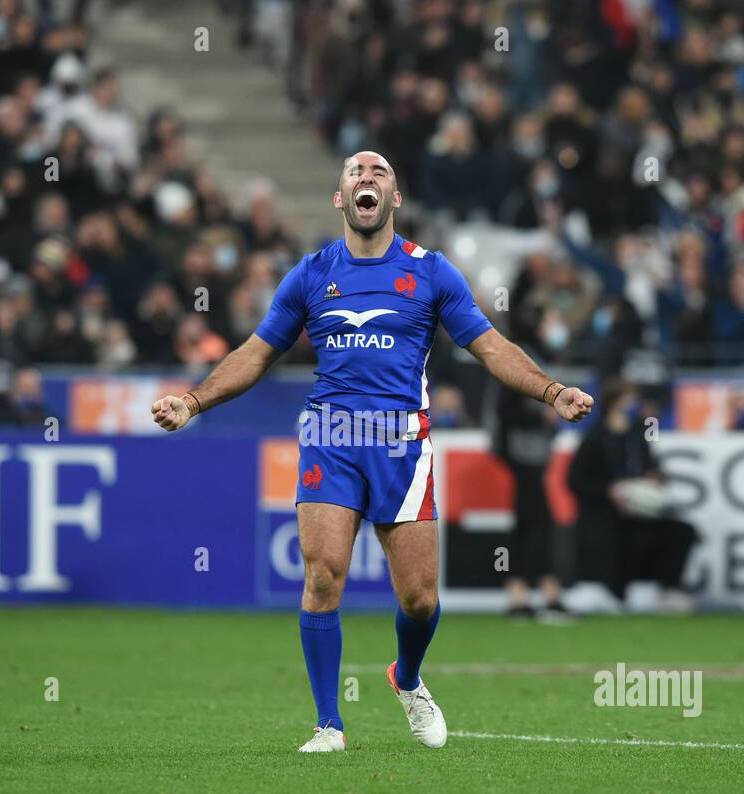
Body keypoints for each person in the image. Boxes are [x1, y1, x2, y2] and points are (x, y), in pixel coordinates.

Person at [151, 150, 594, 752]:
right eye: (355, 173)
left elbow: (489, 347)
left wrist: (552, 390)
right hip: (330, 443)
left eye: (380, 172)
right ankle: (328, 725)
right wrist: (194, 402)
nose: (366, 178)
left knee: (419, 599)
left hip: (403, 449)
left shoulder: (432, 272)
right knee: (323, 575)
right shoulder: (310, 275)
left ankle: (406, 677)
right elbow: (256, 353)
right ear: (340, 199)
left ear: (394, 198)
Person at [568, 379, 695, 611]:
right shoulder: (595, 437)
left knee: (682, 532)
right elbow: (576, 481)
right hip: (606, 512)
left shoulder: (639, 434)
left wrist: (654, 478)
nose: (634, 405)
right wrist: (609, 491)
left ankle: (668, 590)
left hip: (639, 510)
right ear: (614, 403)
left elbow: (650, 467)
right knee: (620, 535)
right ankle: (614, 592)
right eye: (629, 400)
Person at [487, 347, 571, 620]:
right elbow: (506, 414)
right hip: (522, 456)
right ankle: (536, 591)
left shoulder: (536, 357)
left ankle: (525, 591)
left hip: (531, 456)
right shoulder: (519, 358)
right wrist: (540, 418)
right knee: (536, 522)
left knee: (530, 523)